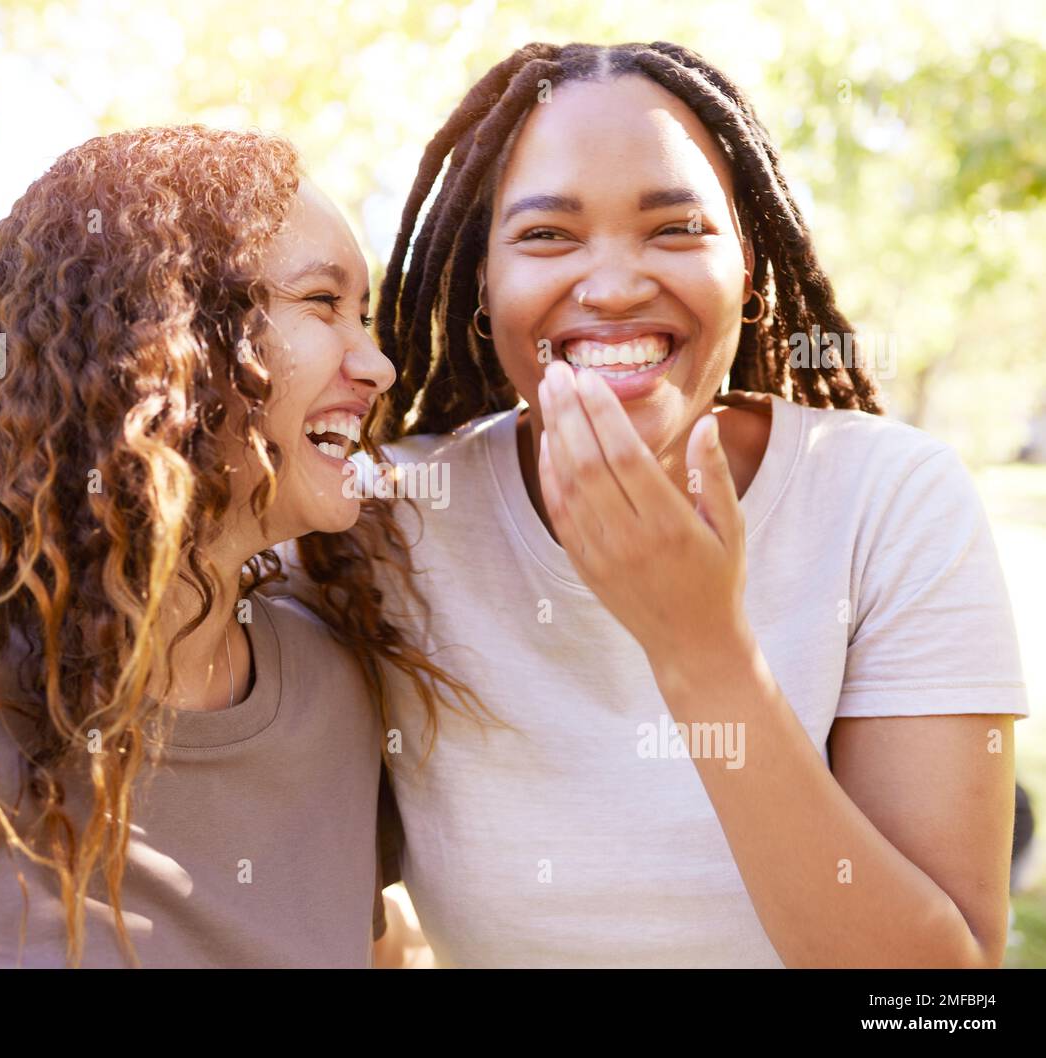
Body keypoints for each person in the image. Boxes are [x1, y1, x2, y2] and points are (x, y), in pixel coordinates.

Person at [287, 41, 1031, 968]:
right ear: (484, 281)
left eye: (675, 228)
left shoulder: (891, 500)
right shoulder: (381, 519)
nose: (613, 285)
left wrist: (702, 651)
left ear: (749, 268)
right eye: (547, 236)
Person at [0, 124, 469, 968]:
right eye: (322, 303)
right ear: (162, 347)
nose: (378, 365)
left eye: (367, 315)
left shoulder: (334, 690)